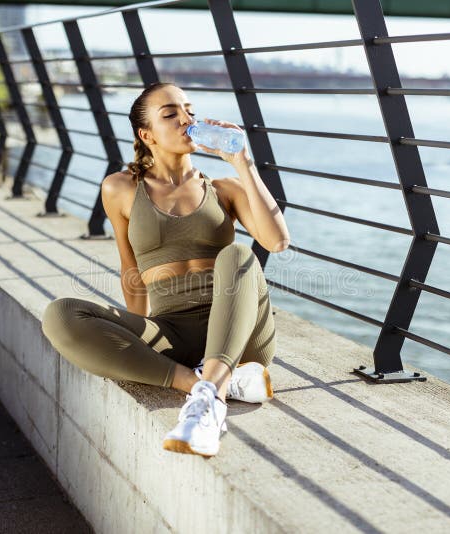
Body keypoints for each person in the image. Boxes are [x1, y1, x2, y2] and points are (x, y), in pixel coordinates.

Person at [41, 82, 290, 457]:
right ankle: (204, 384)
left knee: (238, 255)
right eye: (170, 114)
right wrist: (132, 336)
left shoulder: (224, 189)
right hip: (173, 331)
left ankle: (210, 395)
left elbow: (276, 241)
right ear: (147, 134)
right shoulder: (120, 188)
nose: (185, 119)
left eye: (188, 110)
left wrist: (243, 162)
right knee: (60, 314)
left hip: (242, 335)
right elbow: (130, 269)